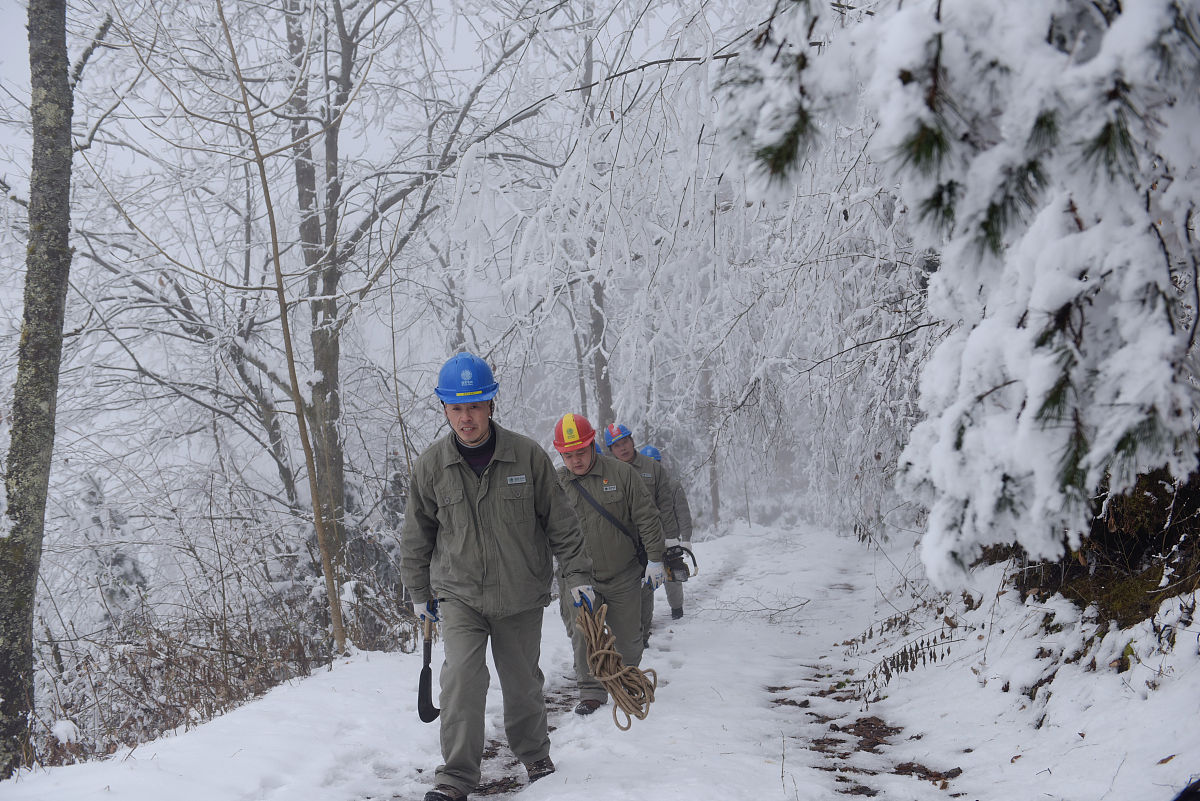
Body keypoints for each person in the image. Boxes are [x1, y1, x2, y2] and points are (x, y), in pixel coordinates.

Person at [400, 353, 595, 801]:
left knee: (522, 681)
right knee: (462, 680)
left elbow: (561, 524)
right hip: (459, 596)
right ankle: (455, 778)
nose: (465, 418)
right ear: (445, 409)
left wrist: (579, 575)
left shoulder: (527, 456)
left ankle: (534, 755)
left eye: (474, 406)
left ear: (490, 404)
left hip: (520, 594)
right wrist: (418, 592)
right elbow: (416, 534)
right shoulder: (430, 467)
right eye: (456, 408)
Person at [552, 413, 666, 715]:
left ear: (592, 445)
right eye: (568, 455)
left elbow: (646, 515)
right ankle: (591, 691)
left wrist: (655, 558)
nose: (575, 460)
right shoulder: (555, 484)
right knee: (582, 636)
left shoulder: (621, 474)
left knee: (629, 639)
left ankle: (626, 677)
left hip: (622, 574)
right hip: (578, 578)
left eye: (580, 452)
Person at [604, 423, 678, 646]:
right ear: (611, 449)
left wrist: (671, 538)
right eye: (616, 445)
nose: (623, 448)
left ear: (632, 440)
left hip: (649, 541)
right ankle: (625, 638)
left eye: (625, 441)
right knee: (624, 595)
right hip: (620, 543)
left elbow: (665, 504)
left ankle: (643, 636)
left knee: (646, 591)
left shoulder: (652, 467)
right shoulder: (607, 471)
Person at [639, 445, 694, 620]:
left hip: (670, 541)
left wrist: (686, 539)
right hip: (646, 542)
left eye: (654, 463)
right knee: (646, 580)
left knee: (673, 578)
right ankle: (644, 619)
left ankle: (677, 610)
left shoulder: (672, 486)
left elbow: (683, 513)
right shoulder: (636, 487)